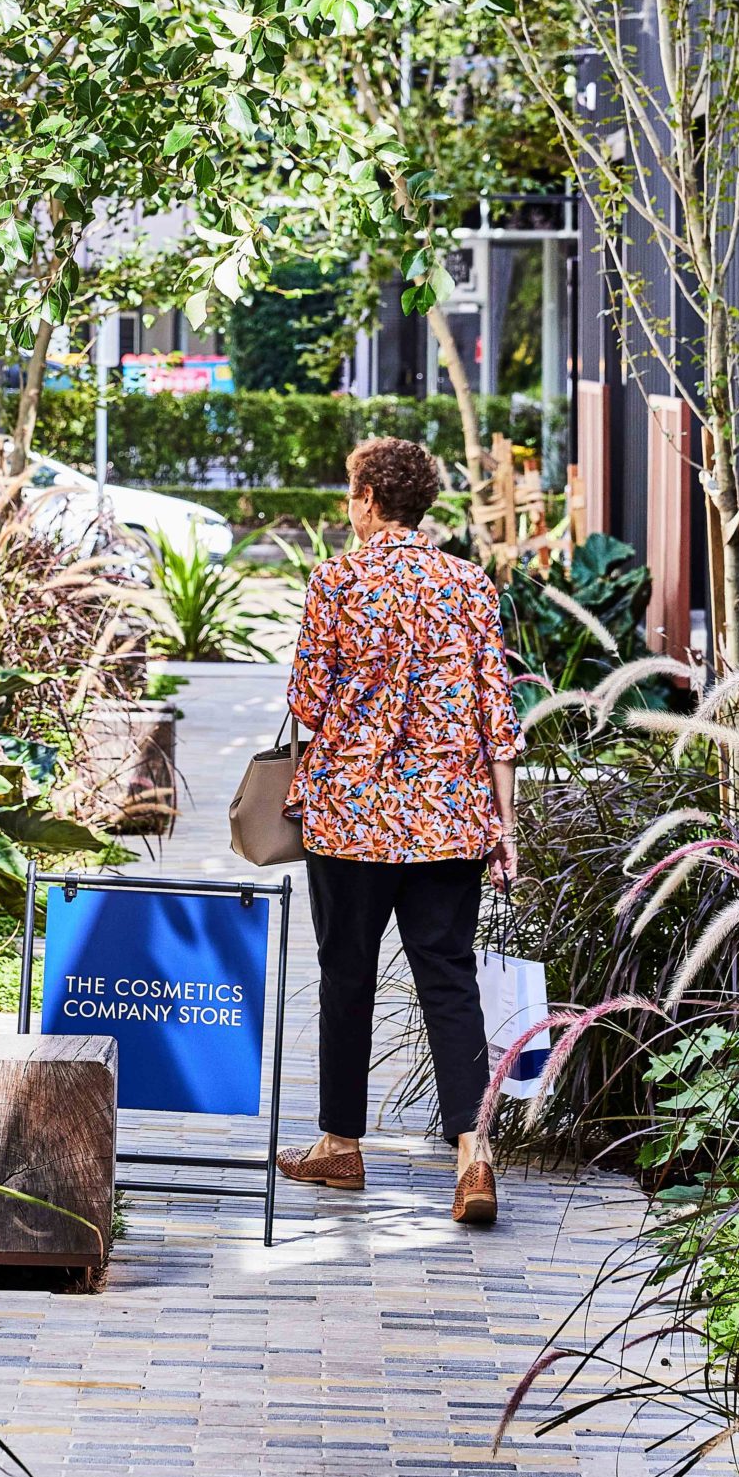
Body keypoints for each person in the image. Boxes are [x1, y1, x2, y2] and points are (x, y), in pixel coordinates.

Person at [274, 435, 522, 1227]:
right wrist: (503, 821)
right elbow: (495, 712)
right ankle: (472, 1155)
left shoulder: (338, 579)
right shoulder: (468, 584)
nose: (349, 510)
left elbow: (308, 701)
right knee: (447, 979)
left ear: (371, 500)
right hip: (450, 817)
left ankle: (339, 1145)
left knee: (345, 973)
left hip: (350, 815)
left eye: (352, 495)